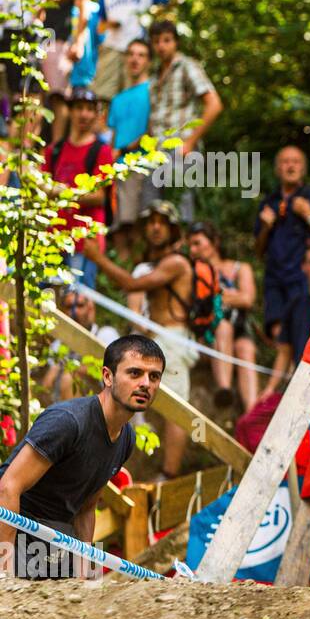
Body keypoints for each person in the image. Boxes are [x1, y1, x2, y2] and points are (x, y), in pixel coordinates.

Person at [0, 334, 164, 579]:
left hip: (54, 538)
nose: (145, 384)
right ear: (107, 376)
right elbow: (7, 487)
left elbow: (86, 508)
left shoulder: (126, 438)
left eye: (154, 376)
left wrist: (83, 578)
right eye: (134, 373)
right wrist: (4, 574)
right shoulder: (69, 421)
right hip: (14, 527)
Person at [84, 200, 195, 480]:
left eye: (162, 222)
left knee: (177, 410)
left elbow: (132, 285)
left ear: (173, 230)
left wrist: (98, 259)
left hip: (174, 340)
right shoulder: (157, 263)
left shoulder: (176, 262)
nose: (155, 228)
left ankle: (169, 475)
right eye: (151, 222)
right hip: (158, 340)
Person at [147, 19, 222, 221]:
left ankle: (184, 251)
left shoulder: (187, 66)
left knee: (180, 209)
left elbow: (214, 104)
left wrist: (190, 141)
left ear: (176, 42)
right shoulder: (154, 74)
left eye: (166, 40)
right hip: (156, 150)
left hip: (180, 147)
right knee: (153, 211)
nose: (161, 46)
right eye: (156, 41)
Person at [42, 88, 117, 290]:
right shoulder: (54, 150)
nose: (84, 114)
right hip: (54, 238)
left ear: (95, 114)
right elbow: (42, 186)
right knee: (48, 300)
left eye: (89, 109)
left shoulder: (101, 151)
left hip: (85, 242)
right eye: (79, 108)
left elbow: (100, 196)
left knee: (78, 302)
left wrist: (61, 191)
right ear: (71, 111)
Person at [254, 145, 310, 340]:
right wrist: (266, 227)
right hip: (275, 277)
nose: (290, 166)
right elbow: (258, 252)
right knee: (277, 331)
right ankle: (285, 371)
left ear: (303, 168)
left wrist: (309, 215)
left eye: (296, 162)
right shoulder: (269, 202)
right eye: (285, 162)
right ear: (278, 169)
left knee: (303, 329)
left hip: (304, 277)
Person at [188, 222, 259, 412]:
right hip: (208, 333)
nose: (193, 250)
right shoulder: (191, 271)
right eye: (190, 245)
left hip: (240, 329)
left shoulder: (239, 268)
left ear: (214, 242)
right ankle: (224, 389)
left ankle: (251, 411)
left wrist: (214, 296)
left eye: (197, 243)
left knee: (244, 348)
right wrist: (227, 296)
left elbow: (247, 299)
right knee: (223, 328)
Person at [90, 0, 167, 101]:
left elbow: (166, 8)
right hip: (112, 48)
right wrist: (109, 24)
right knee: (102, 96)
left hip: (137, 48)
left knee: (132, 97)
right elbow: (99, 26)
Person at [36, 0, 91, 144]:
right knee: (33, 97)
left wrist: (79, 42)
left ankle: (57, 149)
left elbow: (83, 8)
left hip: (58, 40)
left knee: (58, 96)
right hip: (33, 40)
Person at [258, 244, 310, 399]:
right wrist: (270, 388)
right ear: (304, 267)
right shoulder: (294, 305)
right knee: (249, 422)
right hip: (299, 383)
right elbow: (284, 352)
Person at [104, 38, 153, 242]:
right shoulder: (117, 99)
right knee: (118, 230)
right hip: (117, 169)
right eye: (131, 54)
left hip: (142, 167)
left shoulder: (153, 90)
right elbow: (112, 135)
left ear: (149, 61)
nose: (135, 59)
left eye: (141, 55)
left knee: (138, 227)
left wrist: (126, 149)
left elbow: (154, 129)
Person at [41, 288, 121, 401]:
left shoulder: (105, 335)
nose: (75, 312)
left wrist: (67, 368)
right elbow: (46, 387)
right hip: (68, 404)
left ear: (90, 308)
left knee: (69, 378)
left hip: (104, 405)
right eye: (69, 307)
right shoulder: (58, 345)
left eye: (80, 305)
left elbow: (116, 373)